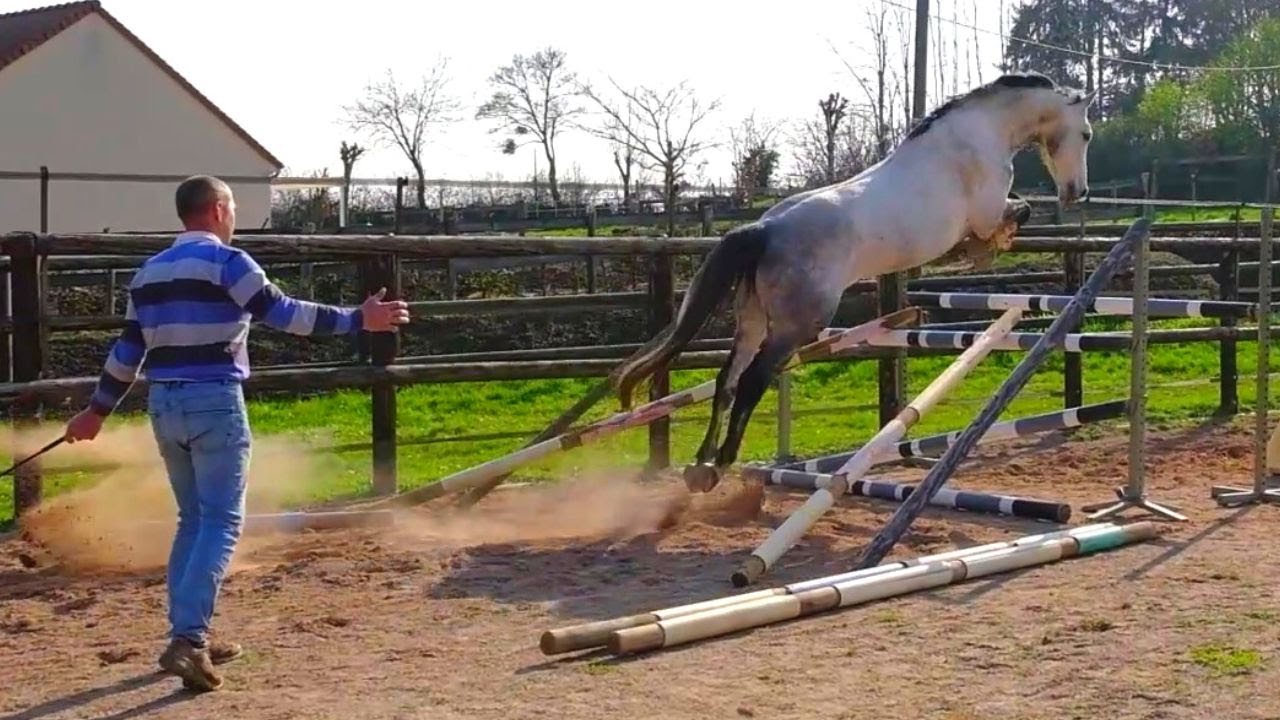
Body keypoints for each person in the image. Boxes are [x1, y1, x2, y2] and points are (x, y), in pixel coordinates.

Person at [61, 175, 410, 691]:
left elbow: (127, 353)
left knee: (193, 519)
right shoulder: (229, 263)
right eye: (234, 208)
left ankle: (189, 632)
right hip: (213, 403)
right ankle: (190, 640)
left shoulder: (149, 273)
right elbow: (285, 315)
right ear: (219, 209)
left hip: (165, 405)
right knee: (222, 522)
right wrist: (359, 319)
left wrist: (96, 411)